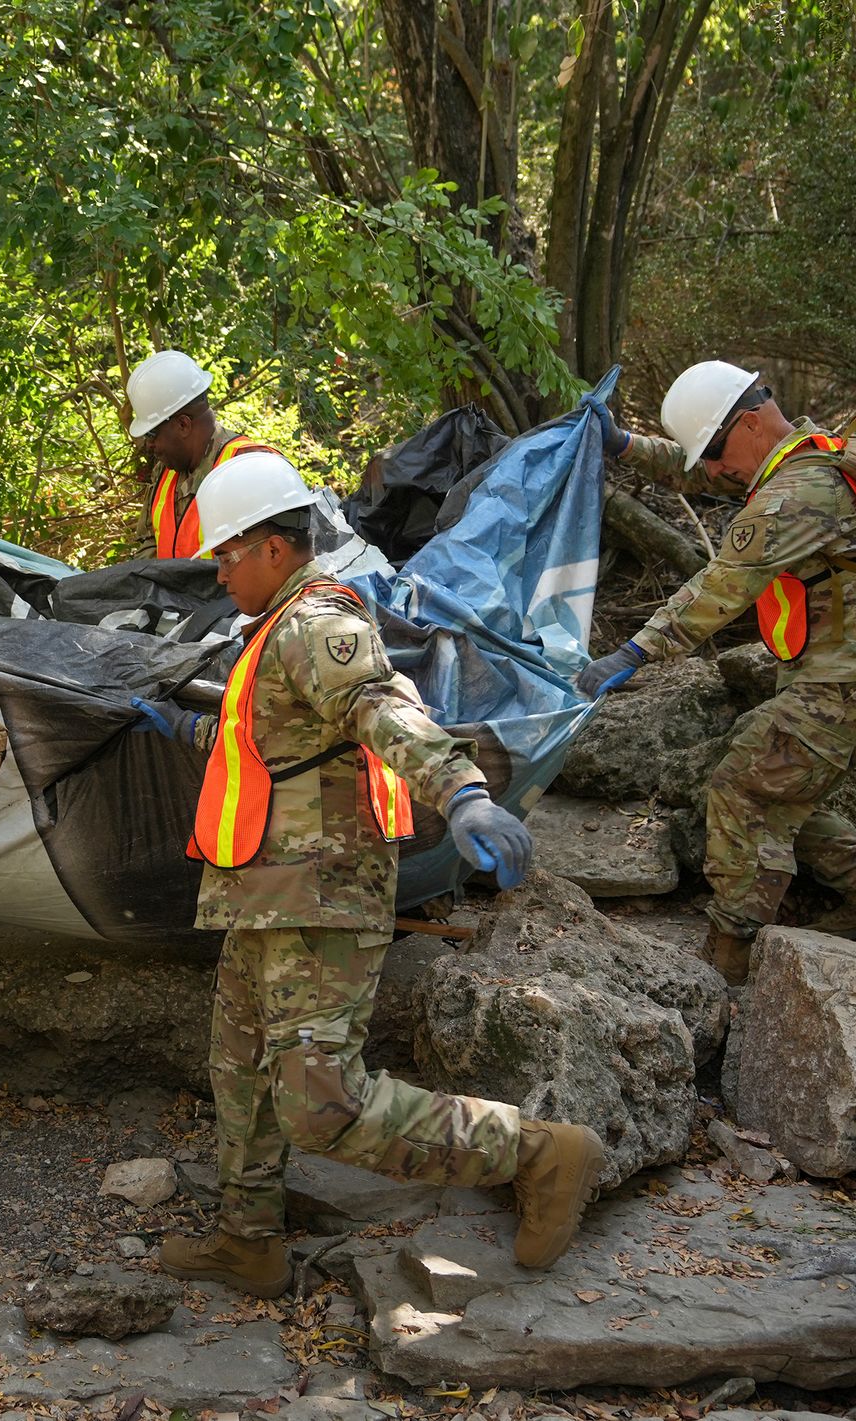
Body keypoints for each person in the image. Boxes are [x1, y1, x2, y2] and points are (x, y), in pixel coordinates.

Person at [135, 450, 606, 1298]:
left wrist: (461, 792)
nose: (218, 569)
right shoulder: (272, 632)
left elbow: (381, 705)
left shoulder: (316, 622)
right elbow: (277, 752)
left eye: (228, 552)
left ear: (277, 547)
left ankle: (539, 1152)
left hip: (319, 892)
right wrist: (185, 731)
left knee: (324, 1106)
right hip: (267, 894)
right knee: (239, 1068)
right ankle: (250, 1239)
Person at [580, 361, 856, 983]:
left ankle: (733, 948)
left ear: (747, 423)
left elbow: (721, 586)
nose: (714, 470)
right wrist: (623, 445)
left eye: (714, 452)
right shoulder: (807, 457)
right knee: (786, 790)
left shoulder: (794, 496)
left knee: (741, 784)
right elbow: (700, 473)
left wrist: (632, 653)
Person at [124, 350, 276, 560]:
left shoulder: (249, 468)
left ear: (183, 424)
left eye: (152, 434)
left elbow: (273, 565)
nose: (149, 445)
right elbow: (149, 547)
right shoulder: (165, 472)